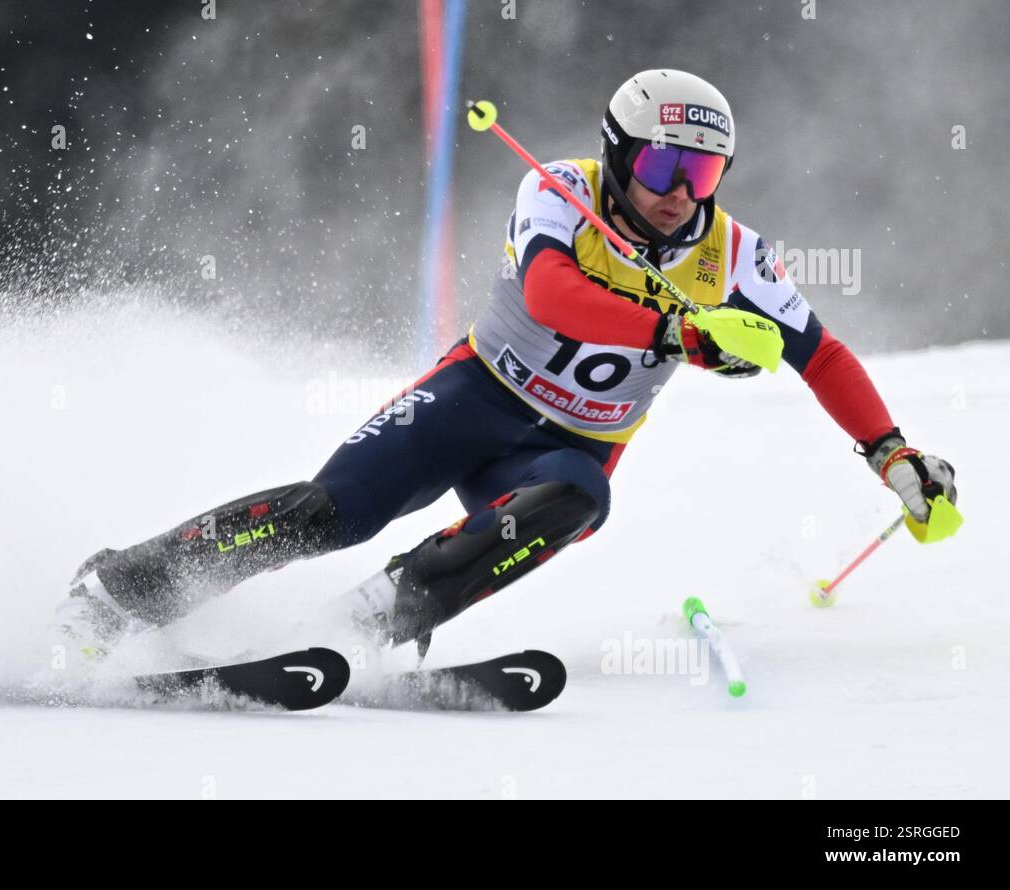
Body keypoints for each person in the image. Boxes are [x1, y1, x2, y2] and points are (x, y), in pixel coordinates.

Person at [55, 68, 958, 658]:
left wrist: (893, 454)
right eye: (662, 164)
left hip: (561, 451)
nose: (682, 194)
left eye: (705, 173)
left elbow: (823, 353)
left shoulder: (736, 258)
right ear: (616, 155)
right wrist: (677, 334)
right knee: (330, 512)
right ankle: (116, 592)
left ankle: (372, 624)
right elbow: (552, 297)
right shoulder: (556, 190)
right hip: (471, 401)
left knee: (582, 498)